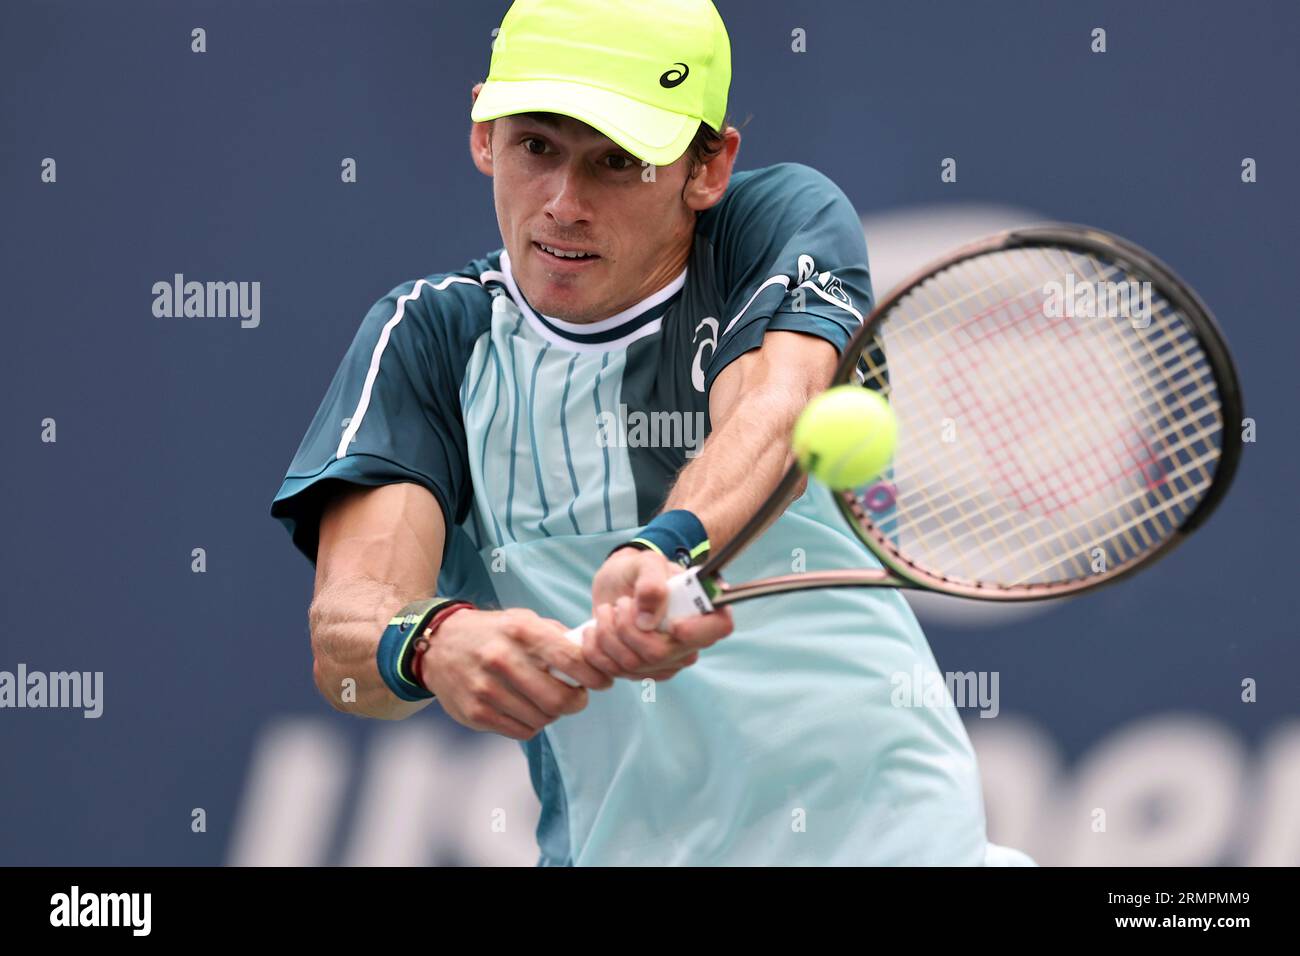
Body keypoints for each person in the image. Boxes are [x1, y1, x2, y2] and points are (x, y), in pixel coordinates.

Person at [272, 0, 1029, 866]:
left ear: (708, 166)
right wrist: (433, 641)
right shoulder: (429, 338)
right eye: (536, 147)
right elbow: (346, 637)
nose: (563, 202)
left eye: (617, 161)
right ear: (484, 135)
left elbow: (773, 409)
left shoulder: (770, 224)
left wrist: (669, 548)